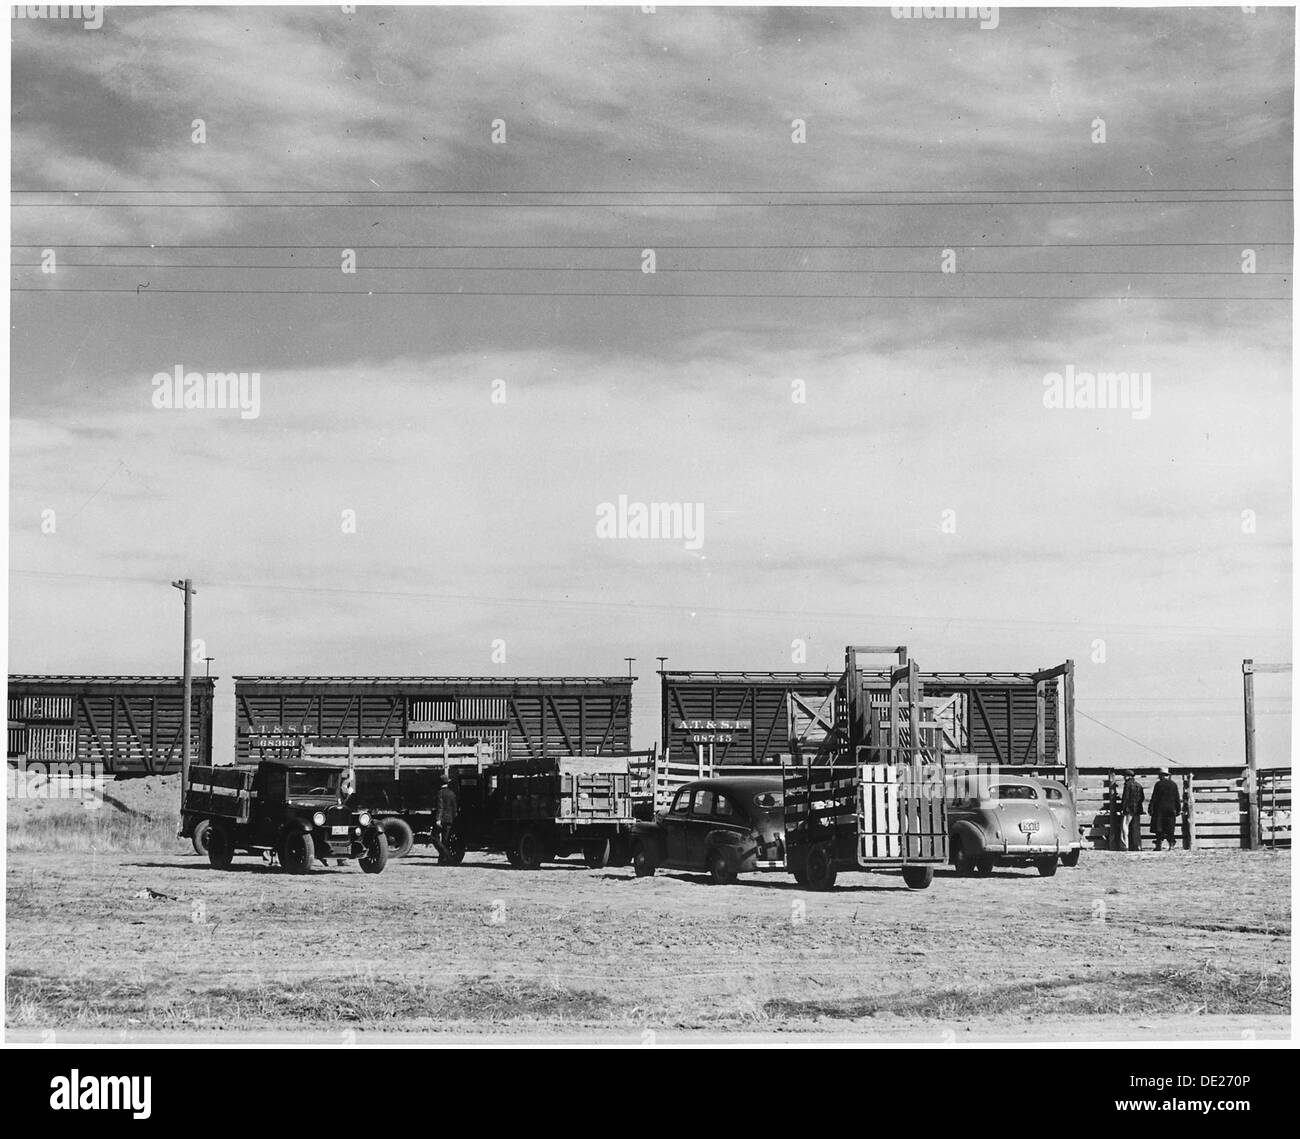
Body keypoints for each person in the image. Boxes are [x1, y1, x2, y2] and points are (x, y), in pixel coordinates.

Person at [1149, 768, 1181, 851]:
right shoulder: (1173, 784)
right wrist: (1178, 809)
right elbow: (1177, 798)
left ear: (1161, 775)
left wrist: (1151, 808)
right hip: (1171, 810)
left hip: (1159, 809)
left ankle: (1158, 845)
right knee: (1170, 828)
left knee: (1159, 828)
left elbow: (1154, 798)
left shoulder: (1158, 784)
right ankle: (1171, 845)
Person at [1120, 770, 1145, 852]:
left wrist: (1123, 808)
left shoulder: (1127, 785)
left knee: (1124, 826)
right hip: (1137, 809)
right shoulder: (1139, 785)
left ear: (1128, 776)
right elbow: (1142, 798)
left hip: (1128, 809)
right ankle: (1137, 846)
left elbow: (1126, 798)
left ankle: (1125, 845)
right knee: (1136, 828)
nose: (1124, 777)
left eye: (1125, 776)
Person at [435, 774, 458, 850]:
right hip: (450, 819)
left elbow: (440, 807)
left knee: (435, 838)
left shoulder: (440, 793)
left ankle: (443, 855)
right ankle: (446, 855)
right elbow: (454, 808)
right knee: (446, 838)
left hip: (442, 819)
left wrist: (438, 819)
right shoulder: (452, 793)